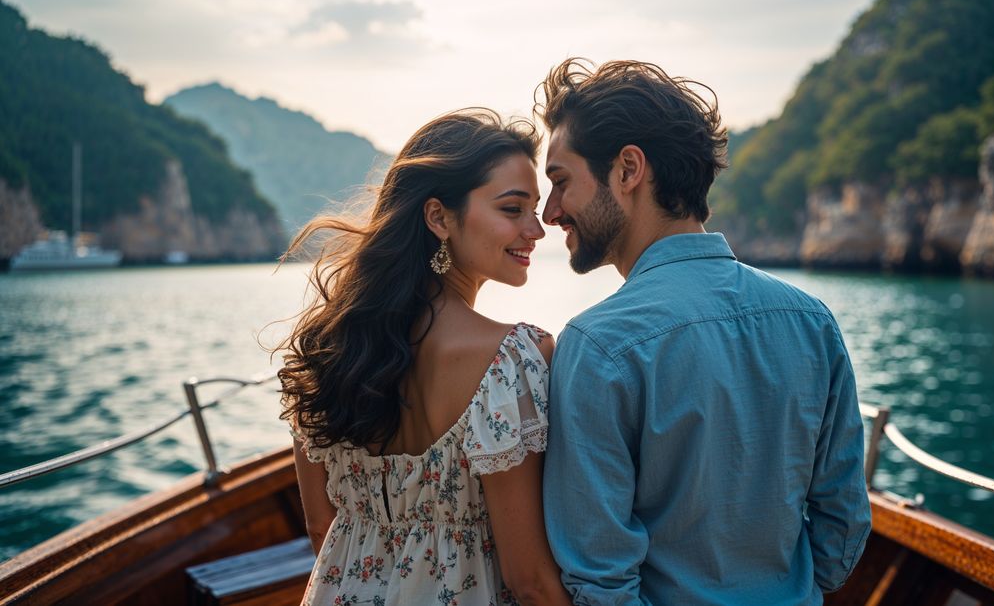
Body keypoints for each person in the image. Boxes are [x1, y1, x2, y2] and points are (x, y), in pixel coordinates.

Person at [537, 58, 871, 605]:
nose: (550, 212)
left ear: (627, 170)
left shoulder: (597, 346)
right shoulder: (811, 321)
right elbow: (844, 521)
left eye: (560, 182)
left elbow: (600, 576)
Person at [276, 110, 572, 606]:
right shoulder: (512, 361)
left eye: (536, 211)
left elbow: (321, 525)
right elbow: (530, 582)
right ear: (438, 217)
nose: (535, 231)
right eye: (512, 209)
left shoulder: (329, 348)